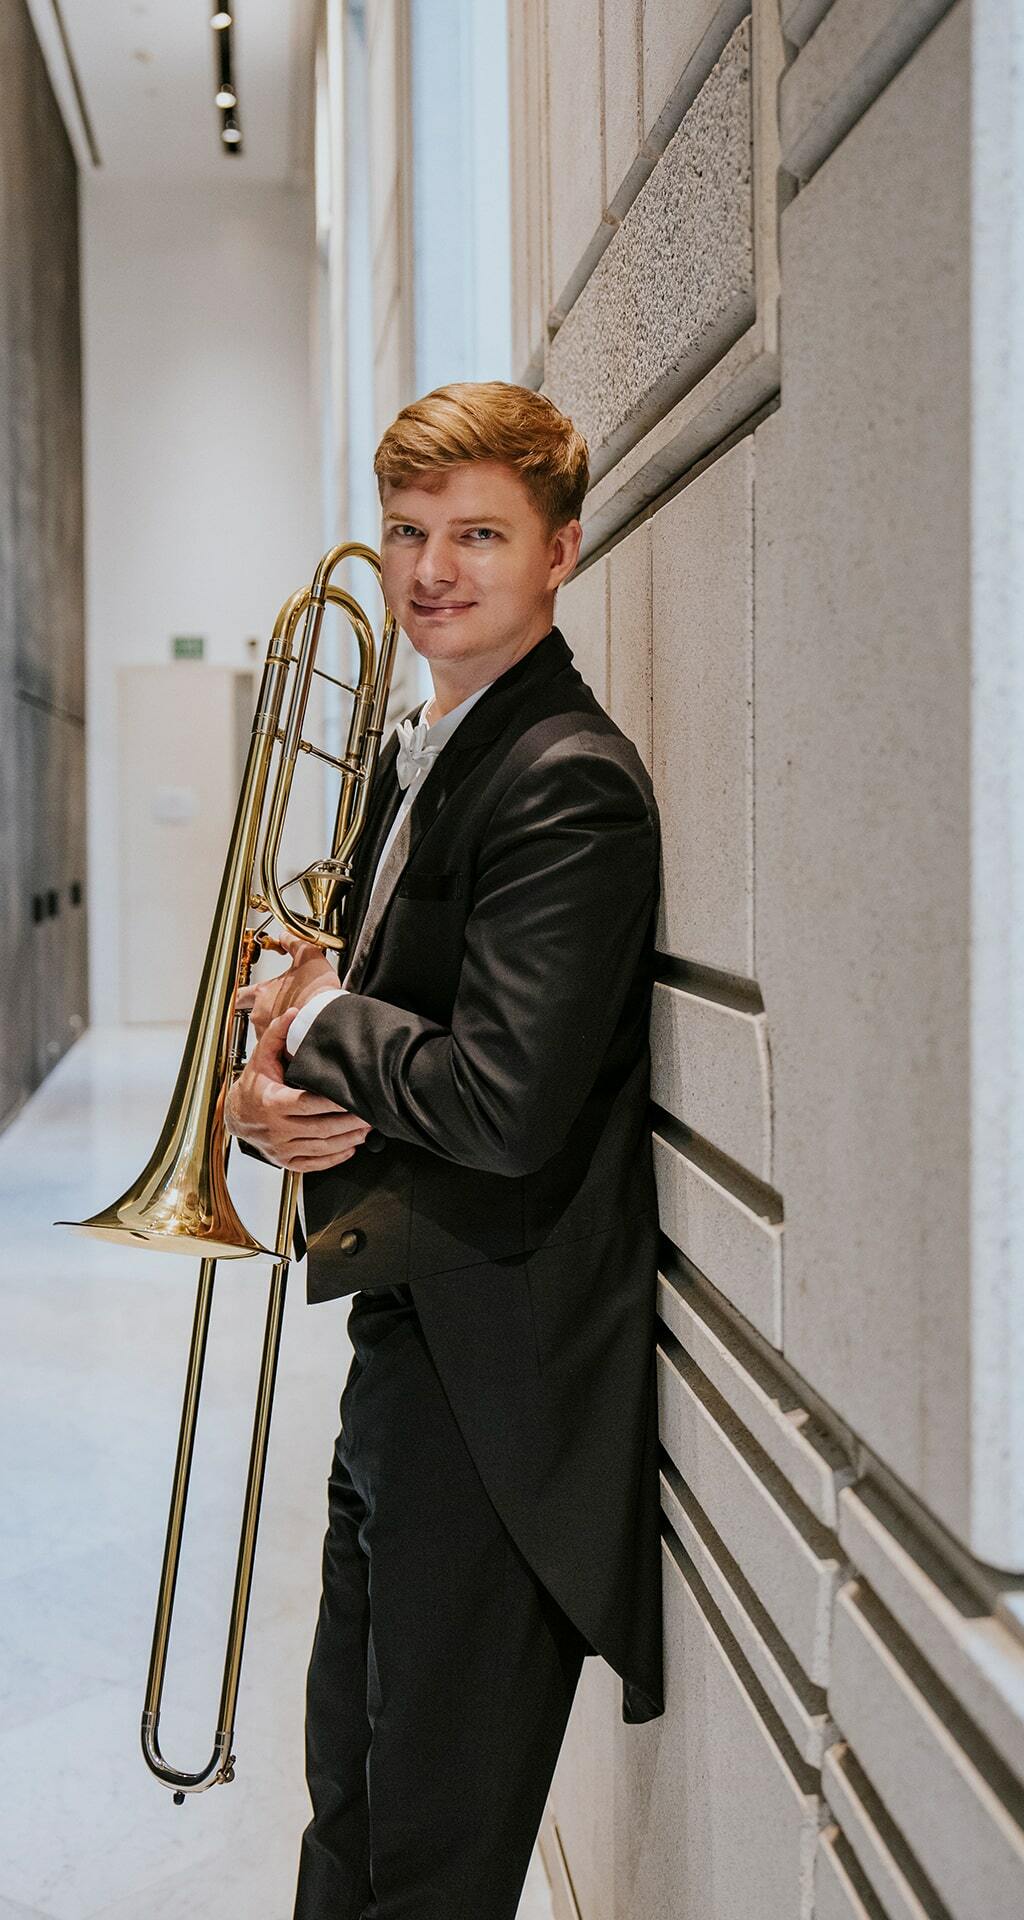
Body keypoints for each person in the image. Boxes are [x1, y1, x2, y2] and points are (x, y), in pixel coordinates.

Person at [226, 380, 664, 1920]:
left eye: (479, 533)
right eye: (409, 531)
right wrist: (263, 1093)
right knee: (350, 1791)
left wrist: (322, 1017)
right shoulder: (430, 745)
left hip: (501, 1397)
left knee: (429, 1848)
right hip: (408, 1348)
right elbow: (333, 1001)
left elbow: (499, 1097)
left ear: (562, 550)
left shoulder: (567, 780)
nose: (430, 570)